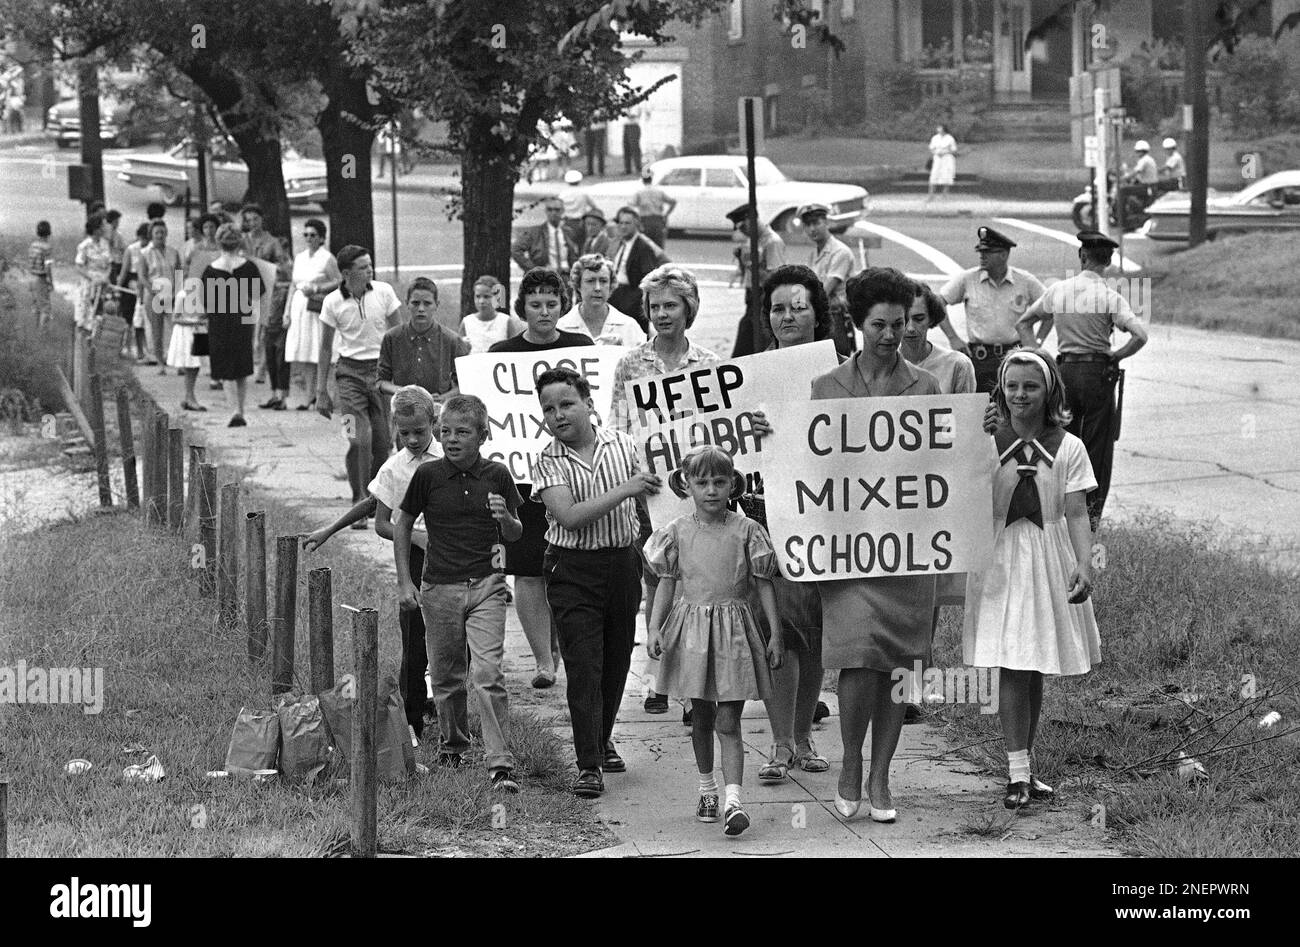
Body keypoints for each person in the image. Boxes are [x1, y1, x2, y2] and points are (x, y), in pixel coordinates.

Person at [812, 267, 942, 822]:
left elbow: (945, 463)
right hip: (850, 549)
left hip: (908, 549)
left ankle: (881, 776)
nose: (893, 336)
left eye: (902, 324)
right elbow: (810, 466)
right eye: (880, 326)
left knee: (898, 663)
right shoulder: (826, 387)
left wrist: (977, 429)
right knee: (857, 658)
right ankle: (848, 764)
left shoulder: (928, 386)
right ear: (856, 324)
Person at [963, 351, 1100, 808]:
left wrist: (1084, 563)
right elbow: (954, 489)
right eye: (1012, 386)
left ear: (1049, 392)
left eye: (1031, 387)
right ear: (1000, 389)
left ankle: (1026, 768)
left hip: (1046, 558)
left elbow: (1077, 512)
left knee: (1034, 659)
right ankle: (1015, 772)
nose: (1020, 395)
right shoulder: (984, 440)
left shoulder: (1070, 447)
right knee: (1013, 660)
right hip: (1000, 557)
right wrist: (971, 435)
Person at [532, 367, 662, 797]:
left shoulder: (625, 444)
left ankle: (602, 739)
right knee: (583, 664)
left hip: (622, 563)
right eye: (548, 409)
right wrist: (626, 490)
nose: (557, 415)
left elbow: (662, 483)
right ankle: (588, 763)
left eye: (566, 404)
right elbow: (569, 516)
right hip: (570, 570)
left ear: (589, 403)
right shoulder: (548, 460)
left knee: (617, 659)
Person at [645, 446, 782, 836]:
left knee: (728, 719)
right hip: (692, 635)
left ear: (732, 485)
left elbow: (763, 583)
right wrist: (655, 629)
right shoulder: (676, 533)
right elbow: (666, 584)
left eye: (719, 482)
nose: (710, 490)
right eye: (701, 482)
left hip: (735, 632)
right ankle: (707, 788)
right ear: (686, 486)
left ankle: (734, 801)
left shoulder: (747, 531)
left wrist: (775, 632)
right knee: (701, 717)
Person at [395, 394, 524, 792]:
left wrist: (506, 519)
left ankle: (500, 763)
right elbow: (401, 523)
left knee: (488, 673)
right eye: (445, 431)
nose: (451, 439)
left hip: (487, 585)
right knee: (448, 676)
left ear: (483, 435)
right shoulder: (429, 476)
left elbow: (517, 532)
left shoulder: (498, 475)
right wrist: (405, 581)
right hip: (439, 588)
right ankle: (453, 745)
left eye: (462, 432)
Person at [608, 264, 720, 717]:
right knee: (656, 580)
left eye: (671, 305)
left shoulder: (710, 364)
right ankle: (657, 679)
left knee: (697, 584)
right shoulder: (631, 363)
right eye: (655, 306)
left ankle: (695, 686)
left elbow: (721, 431)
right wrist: (635, 476)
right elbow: (617, 426)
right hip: (650, 492)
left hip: (698, 491)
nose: (662, 314)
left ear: (689, 308)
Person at [304, 385, 444, 738]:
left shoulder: (451, 457)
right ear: (394, 425)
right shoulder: (395, 468)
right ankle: (410, 723)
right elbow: (378, 515)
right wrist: (331, 529)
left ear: (434, 422)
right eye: (404, 432)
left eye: (420, 431)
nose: (412, 439)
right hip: (414, 559)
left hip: (453, 558)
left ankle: (447, 712)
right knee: (414, 640)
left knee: (454, 641)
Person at [746, 265, 837, 785]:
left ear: (816, 313)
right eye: (778, 308)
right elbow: (726, 446)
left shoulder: (839, 373)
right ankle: (780, 743)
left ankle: (803, 736)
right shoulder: (750, 376)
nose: (787, 317)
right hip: (767, 513)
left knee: (813, 635)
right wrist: (747, 427)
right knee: (777, 630)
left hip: (826, 513)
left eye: (798, 307)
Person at [490, 269, 594, 688]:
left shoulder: (581, 348)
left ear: (562, 305)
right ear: (522, 307)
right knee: (529, 568)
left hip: (576, 478)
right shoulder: (501, 352)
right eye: (535, 304)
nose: (544, 311)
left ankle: (563, 649)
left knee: (569, 567)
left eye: (552, 303)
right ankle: (542, 660)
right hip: (522, 479)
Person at [1016, 230, 1149, 531]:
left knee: (1061, 442)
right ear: (1109, 260)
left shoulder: (1059, 291)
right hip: (1098, 374)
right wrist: (1116, 356)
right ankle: (1089, 519)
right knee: (1096, 448)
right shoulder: (1110, 297)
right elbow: (1140, 335)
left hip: (1064, 374)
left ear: (1082, 256)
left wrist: (1039, 355)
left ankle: (1055, 512)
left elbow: (1023, 322)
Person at [901, 281, 977, 716]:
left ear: (931, 321)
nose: (910, 329)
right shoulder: (876, 365)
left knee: (927, 584)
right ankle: (900, 674)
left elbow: (965, 426)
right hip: (886, 491)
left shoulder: (955, 365)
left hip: (934, 489)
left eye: (919, 319)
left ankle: (920, 673)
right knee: (896, 585)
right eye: (902, 320)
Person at [317, 245, 403, 505]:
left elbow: (398, 335)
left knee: (381, 443)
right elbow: (324, 347)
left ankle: (375, 498)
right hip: (348, 375)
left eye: (370, 265)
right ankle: (359, 496)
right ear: (346, 273)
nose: (370, 270)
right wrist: (322, 390)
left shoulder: (384, 292)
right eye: (363, 267)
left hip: (380, 375)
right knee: (357, 438)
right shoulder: (332, 302)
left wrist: (401, 376)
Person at [939, 226, 1045, 392]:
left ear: (1003, 255)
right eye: (981, 252)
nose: (982, 256)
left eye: (988, 252)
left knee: (1013, 408)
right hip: (980, 359)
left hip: (1014, 357)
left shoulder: (1024, 281)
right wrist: (953, 338)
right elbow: (938, 302)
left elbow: (1050, 308)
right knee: (980, 410)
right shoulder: (968, 279)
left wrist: (1036, 342)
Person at [203, 223, 266, 426]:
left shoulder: (210, 270)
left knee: (225, 367)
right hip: (242, 320)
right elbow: (256, 299)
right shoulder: (249, 267)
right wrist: (256, 331)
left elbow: (206, 302)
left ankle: (234, 409)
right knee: (242, 366)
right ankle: (240, 408)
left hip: (219, 321)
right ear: (239, 242)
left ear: (218, 242)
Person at [378, 277, 469, 404]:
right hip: (404, 410)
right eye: (415, 303)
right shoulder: (392, 337)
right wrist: (401, 391)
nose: (421, 309)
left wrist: (444, 397)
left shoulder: (452, 340)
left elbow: (466, 384)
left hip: (437, 411)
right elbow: (381, 381)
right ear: (407, 303)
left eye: (427, 303)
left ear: (437, 305)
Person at [284, 218, 341, 411]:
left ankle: (324, 394)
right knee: (306, 351)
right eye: (306, 235)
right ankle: (308, 395)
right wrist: (287, 311)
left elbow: (338, 280)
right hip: (300, 308)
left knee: (321, 350)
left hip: (318, 307)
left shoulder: (327, 258)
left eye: (313, 235)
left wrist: (318, 287)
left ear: (321, 237)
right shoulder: (300, 257)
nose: (309, 238)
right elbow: (293, 284)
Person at [726, 204, 787, 358]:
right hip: (751, 300)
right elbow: (746, 272)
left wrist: (751, 265)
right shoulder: (752, 241)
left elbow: (775, 279)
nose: (742, 231)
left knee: (760, 350)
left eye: (743, 226)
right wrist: (742, 261)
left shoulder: (772, 242)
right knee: (743, 352)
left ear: (752, 220)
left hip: (764, 300)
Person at [240, 203, 290, 386]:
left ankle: (261, 369)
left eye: (256, 219)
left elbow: (283, 266)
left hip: (266, 288)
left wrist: (268, 267)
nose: (253, 223)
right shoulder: (242, 240)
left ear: (262, 220)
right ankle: (247, 364)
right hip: (245, 288)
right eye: (249, 220)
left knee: (263, 329)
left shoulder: (272, 241)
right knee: (247, 328)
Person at [801, 204, 856, 358]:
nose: (812, 229)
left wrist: (800, 300)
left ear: (827, 223)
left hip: (835, 317)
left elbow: (823, 291)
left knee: (835, 362)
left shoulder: (840, 252)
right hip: (818, 315)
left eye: (816, 223)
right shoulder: (814, 253)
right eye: (808, 225)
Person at [556, 253, 647, 347]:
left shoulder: (629, 327)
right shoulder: (561, 328)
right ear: (578, 286)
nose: (597, 288)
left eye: (603, 281)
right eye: (590, 281)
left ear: (611, 285)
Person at [606, 206, 668, 334]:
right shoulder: (619, 243)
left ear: (636, 225)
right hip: (615, 295)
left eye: (627, 223)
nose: (623, 226)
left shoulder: (643, 247)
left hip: (631, 299)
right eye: (621, 223)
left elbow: (649, 278)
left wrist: (635, 300)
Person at [140, 220, 185, 389]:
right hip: (154, 295)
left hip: (171, 295)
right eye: (156, 232)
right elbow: (142, 275)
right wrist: (151, 290)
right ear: (151, 234)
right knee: (157, 330)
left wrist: (180, 291)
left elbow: (179, 272)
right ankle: (160, 362)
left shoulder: (173, 252)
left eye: (162, 232)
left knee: (176, 328)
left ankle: (179, 362)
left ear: (166, 233)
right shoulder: (145, 253)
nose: (160, 235)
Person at [511, 197, 579, 284]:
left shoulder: (569, 232)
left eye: (557, 210)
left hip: (565, 278)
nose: (553, 213)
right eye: (550, 210)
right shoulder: (535, 232)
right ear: (546, 211)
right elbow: (515, 249)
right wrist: (533, 269)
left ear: (562, 211)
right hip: (543, 278)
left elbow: (575, 256)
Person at [117, 222, 152, 362]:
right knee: (128, 318)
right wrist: (118, 289)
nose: (144, 242)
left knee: (143, 320)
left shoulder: (151, 250)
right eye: (143, 239)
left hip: (146, 284)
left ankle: (145, 349)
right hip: (131, 284)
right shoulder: (131, 249)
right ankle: (128, 347)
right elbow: (124, 271)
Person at [460, 275, 522, 352]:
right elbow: (459, 352)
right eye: (478, 296)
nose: (481, 301)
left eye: (486, 297)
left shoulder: (506, 321)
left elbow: (515, 350)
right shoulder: (467, 322)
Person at [73, 213, 112, 335]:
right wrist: (92, 278)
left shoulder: (105, 243)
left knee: (101, 314)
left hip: (103, 283)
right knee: (86, 315)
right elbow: (79, 267)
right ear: (95, 229)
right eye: (102, 226)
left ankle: (97, 342)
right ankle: (83, 342)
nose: (104, 228)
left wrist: (105, 277)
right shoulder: (85, 246)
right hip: (89, 283)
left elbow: (109, 264)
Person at [632, 168, 676, 251]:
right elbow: (673, 202)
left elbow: (631, 206)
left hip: (645, 221)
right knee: (658, 247)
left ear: (643, 180)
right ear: (651, 179)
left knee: (644, 247)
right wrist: (666, 214)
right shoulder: (659, 192)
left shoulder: (639, 193)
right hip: (657, 221)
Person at [558, 169, 598, 251]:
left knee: (568, 246)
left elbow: (559, 209)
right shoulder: (583, 193)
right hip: (581, 223)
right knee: (582, 245)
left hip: (567, 222)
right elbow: (594, 207)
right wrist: (587, 212)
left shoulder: (562, 194)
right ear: (579, 180)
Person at [28, 220, 53, 329]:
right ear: (49, 232)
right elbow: (47, 267)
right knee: (45, 308)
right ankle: (42, 333)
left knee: (35, 306)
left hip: (31, 277)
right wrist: (50, 282)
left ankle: (34, 331)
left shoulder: (33, 245)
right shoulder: (47, 247)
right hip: (41, 278)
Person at [926, 123, 958, 201]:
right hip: (937, 159)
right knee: (934, 176)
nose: (938, 129)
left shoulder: (950, 138)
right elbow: (931, 148)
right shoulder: (935, 138)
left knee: (946, 176)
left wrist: (945, 152)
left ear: (943, 129)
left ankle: (944, 196)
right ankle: (931, 196)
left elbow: (954, 149)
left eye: (940, 128)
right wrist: (935, 153)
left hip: (947, 159)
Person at [622, 108, 642, 176]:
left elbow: (632, 115)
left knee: (635, 148)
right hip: (626, 126)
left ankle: (638, 168)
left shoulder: (635, 105)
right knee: (626, 148)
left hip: (633, 126)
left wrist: (626, 112)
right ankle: (628, 169)